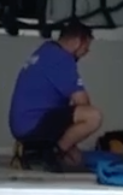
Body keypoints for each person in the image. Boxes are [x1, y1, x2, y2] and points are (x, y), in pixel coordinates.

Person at [7, 19, 101, 171]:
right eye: (86, 47)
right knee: (92, 116)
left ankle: (33, 152)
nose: (86, 52)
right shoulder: (62, 59)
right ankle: (50, 155)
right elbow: (83, 102)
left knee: (75, 160)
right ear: (77, 41)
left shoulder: (46, 51)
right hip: (33, 124)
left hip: (25, 124)